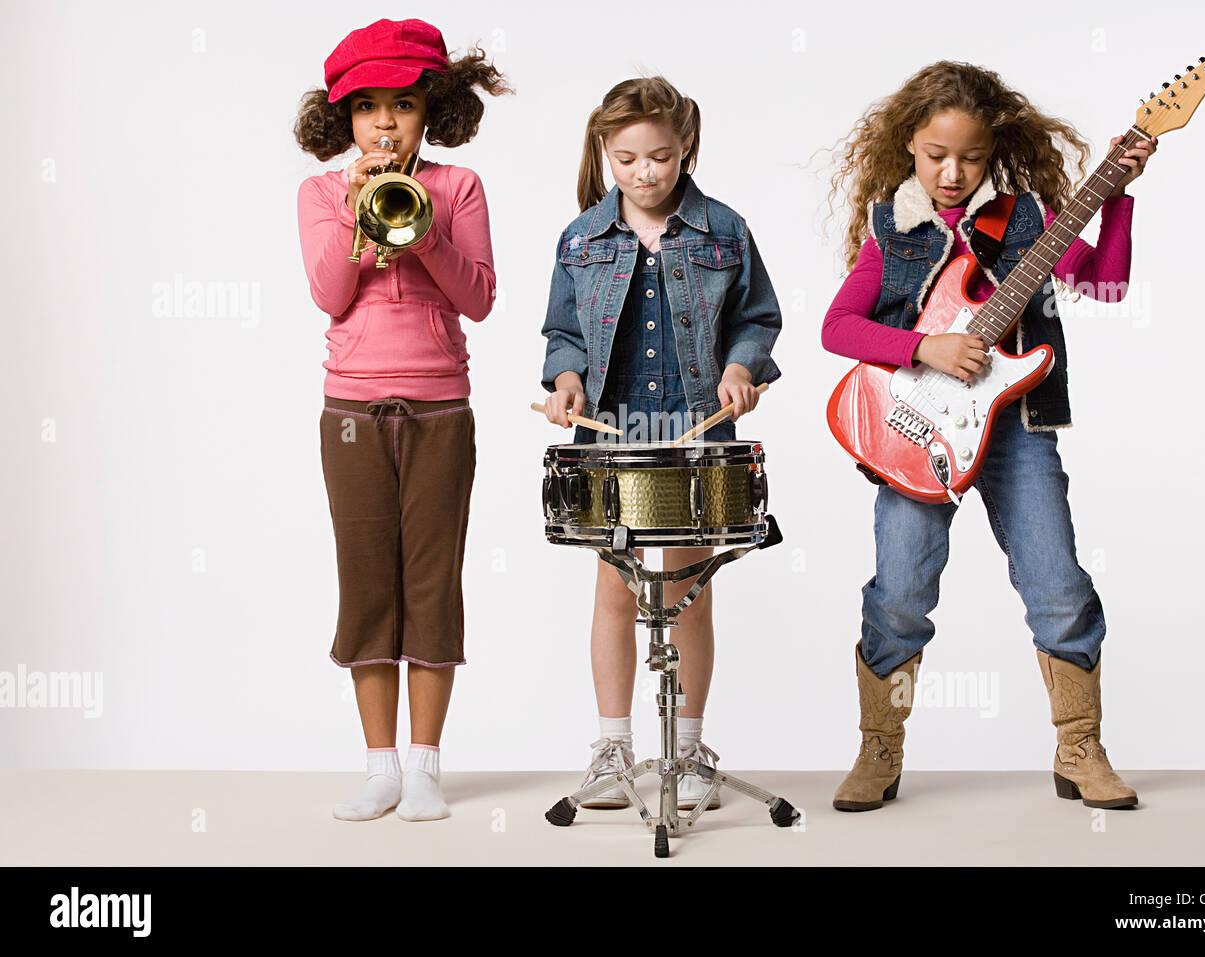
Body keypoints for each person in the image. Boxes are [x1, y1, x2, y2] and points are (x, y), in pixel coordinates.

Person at [821, 60, 1155, 812]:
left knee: (1058, 582)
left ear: (991, 152)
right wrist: (922, 348)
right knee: (901, 591)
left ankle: (1080, 746)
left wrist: (1120, 194)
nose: (952, 170)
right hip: (920, 432)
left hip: (1018, 430)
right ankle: (880, 746)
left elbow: (1105, 283)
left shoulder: (1029, 218)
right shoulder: (894, 227)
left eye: (970, 157)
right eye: (937, 154)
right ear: (910, 143)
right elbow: (837, 328)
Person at [540, 77, 782, 810]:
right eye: (626, 160)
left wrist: (742, 369)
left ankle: (688, 747)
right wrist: (566, 379)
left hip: (694, 428)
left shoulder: (726, 230)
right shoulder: (581, 237)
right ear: (604, 153)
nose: (645, 173)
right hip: (612, 432)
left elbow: (757, 318)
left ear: (688, 150)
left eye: (661, 157)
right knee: (615, 587)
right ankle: (614, 745)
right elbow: (564, 332)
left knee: (686, 592)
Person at [293, 17, 510, 821]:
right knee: (366, 583)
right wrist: (360, 222)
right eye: (367, 108)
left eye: (404, 105)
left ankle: (425, 765)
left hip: (439, 405)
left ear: (433, 110)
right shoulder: (322, 191)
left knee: (430, 581)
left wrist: (418, 238)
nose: (385, 124)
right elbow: (328, 292)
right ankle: (379, 764)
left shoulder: (458, 190)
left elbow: (480, 298)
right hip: (351, 408)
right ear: (343, 118)